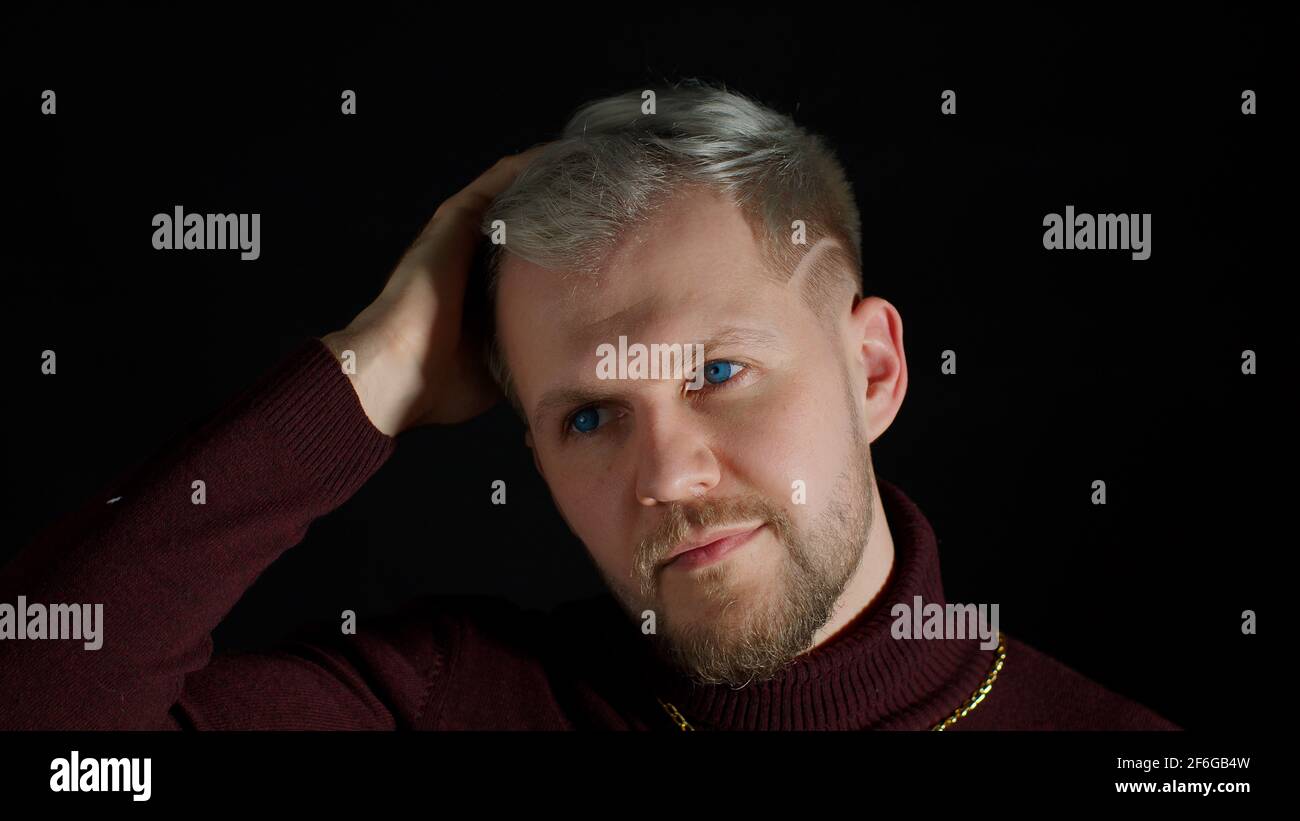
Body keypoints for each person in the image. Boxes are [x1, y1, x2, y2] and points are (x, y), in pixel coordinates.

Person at [0, 82, 1176, 730]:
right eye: (587, 416)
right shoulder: (455, 703)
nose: (662, 475)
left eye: (716, 372)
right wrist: (371, 369)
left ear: (872, 370)